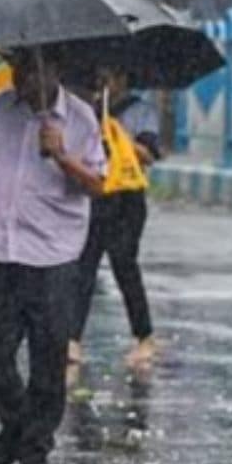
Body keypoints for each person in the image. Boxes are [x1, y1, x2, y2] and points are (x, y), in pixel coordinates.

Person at [0, 46, 106, 464]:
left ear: (54, 69)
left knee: (48, 360)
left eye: (31, 71)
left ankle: (35, 452)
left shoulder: (81, 119)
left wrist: (63, 155)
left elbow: (97, 184)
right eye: (16, 70)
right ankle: (16, 421)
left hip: (53, 255)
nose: (22, 80)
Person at [71, 64, 160, 372]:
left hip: (127, 198)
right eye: (99, 78)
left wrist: (119, 135)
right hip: (96, 194)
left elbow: (149, 155)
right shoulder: (86, 110)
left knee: (125, 266)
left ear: (123, 78)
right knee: (85, 266)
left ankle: (144, 336)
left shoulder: (140, 112)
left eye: (108, 77)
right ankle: (72, 339)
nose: (103, 83)